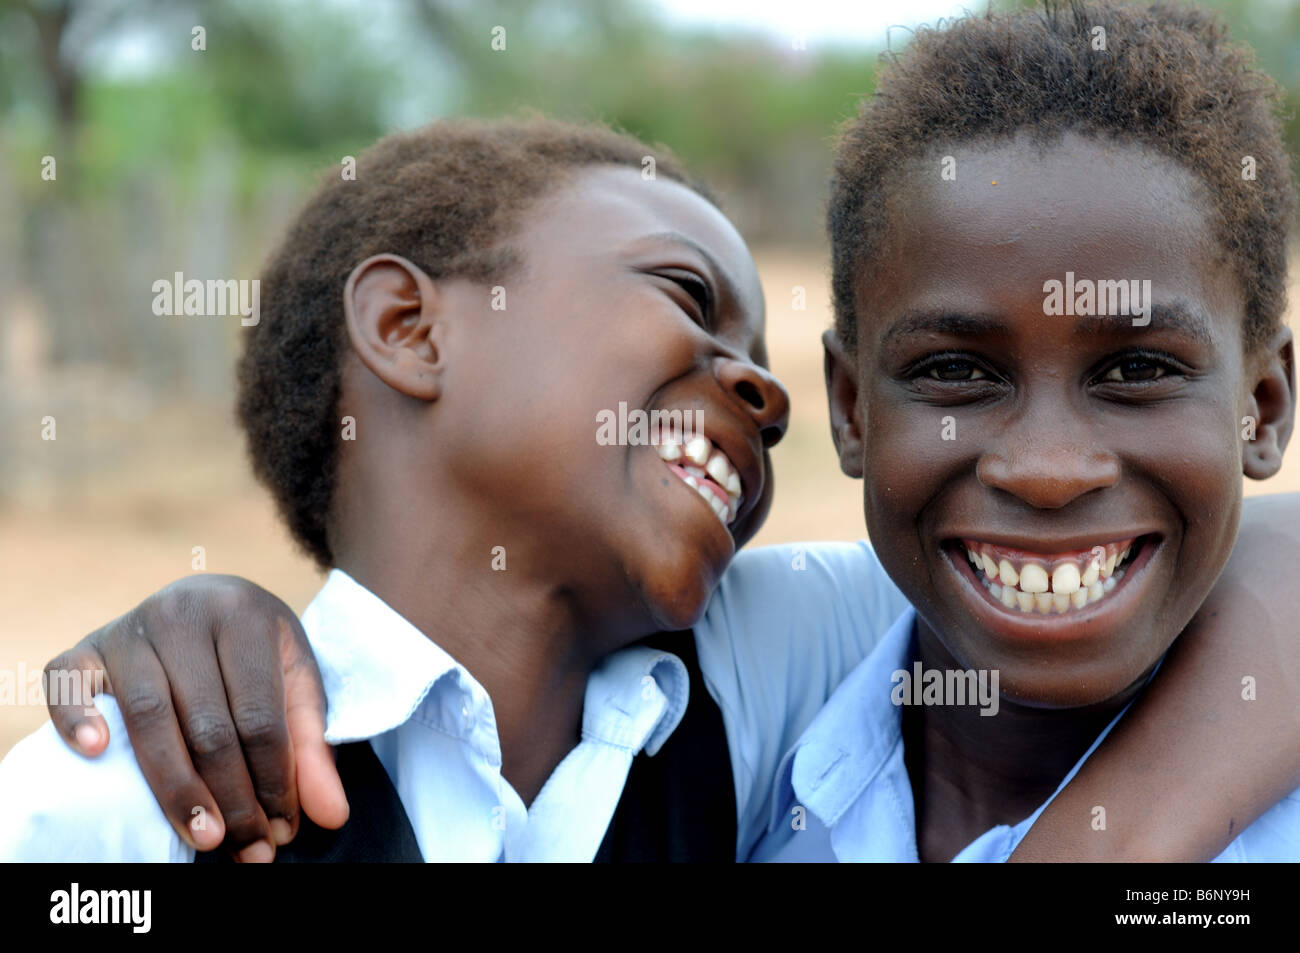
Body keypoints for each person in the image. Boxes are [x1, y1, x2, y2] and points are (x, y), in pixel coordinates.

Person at [19, 1, 1300, 862]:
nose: (760, 390)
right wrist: (195, 615)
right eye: (688, 298)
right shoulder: (139, 789)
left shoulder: (746, 683)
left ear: (1266, 402)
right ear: (410, 327)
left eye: (1135, 368)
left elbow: (1275, 561)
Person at [753, 0, 1299, 861]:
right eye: (955, 371)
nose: (1046, 470)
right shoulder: (743, 766)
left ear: (1262, 408)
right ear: (852, 407)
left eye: (1139, 370)